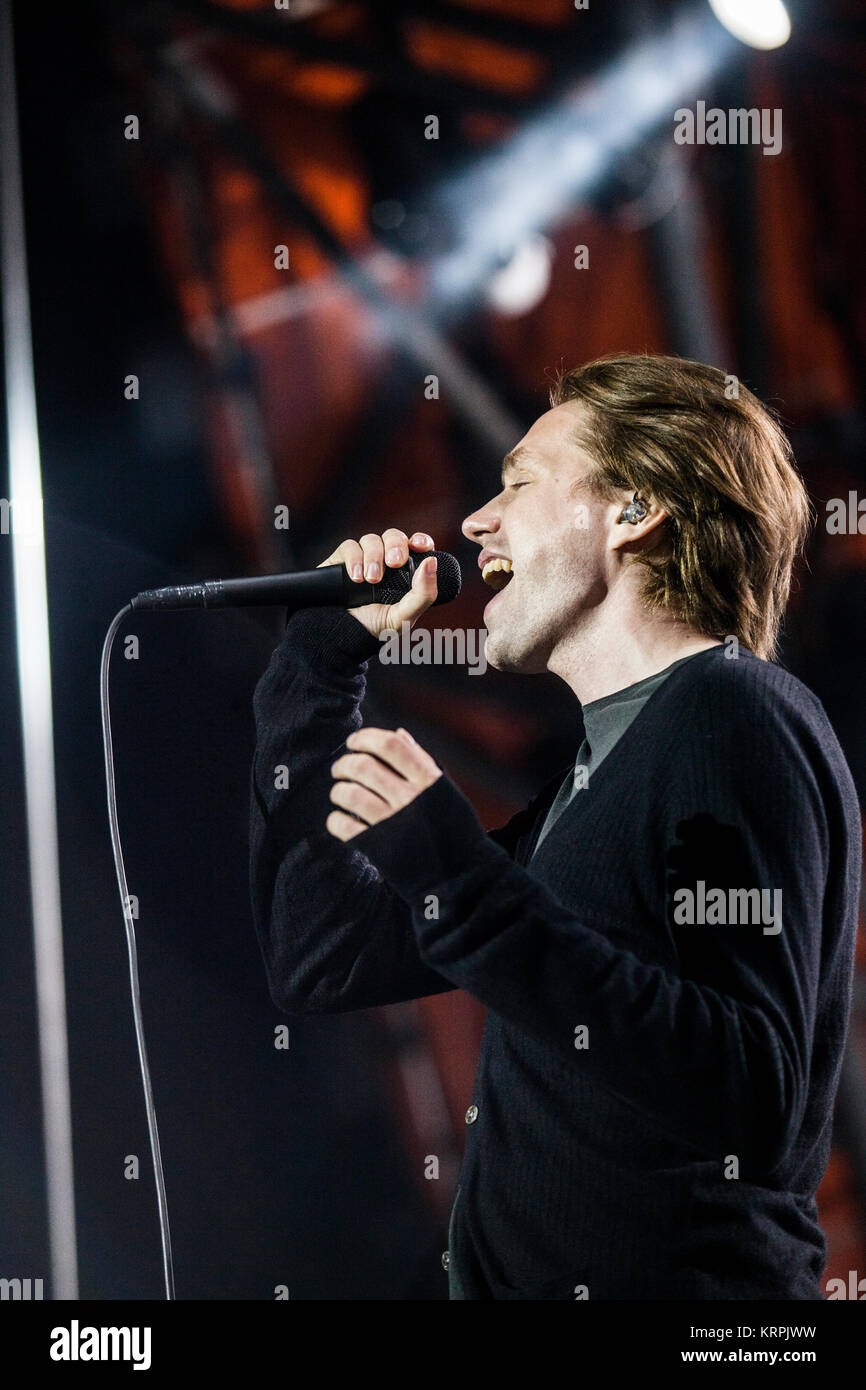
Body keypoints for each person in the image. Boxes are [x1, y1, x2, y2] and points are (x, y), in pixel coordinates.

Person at [249, 353, 861, 1299]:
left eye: (519, 483)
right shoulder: (594, 780)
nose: (478, 522)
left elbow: (752, 1093)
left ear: (634, 510)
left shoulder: (734, 714)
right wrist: (317, 670)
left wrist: (455, 873)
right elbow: (323, 955)